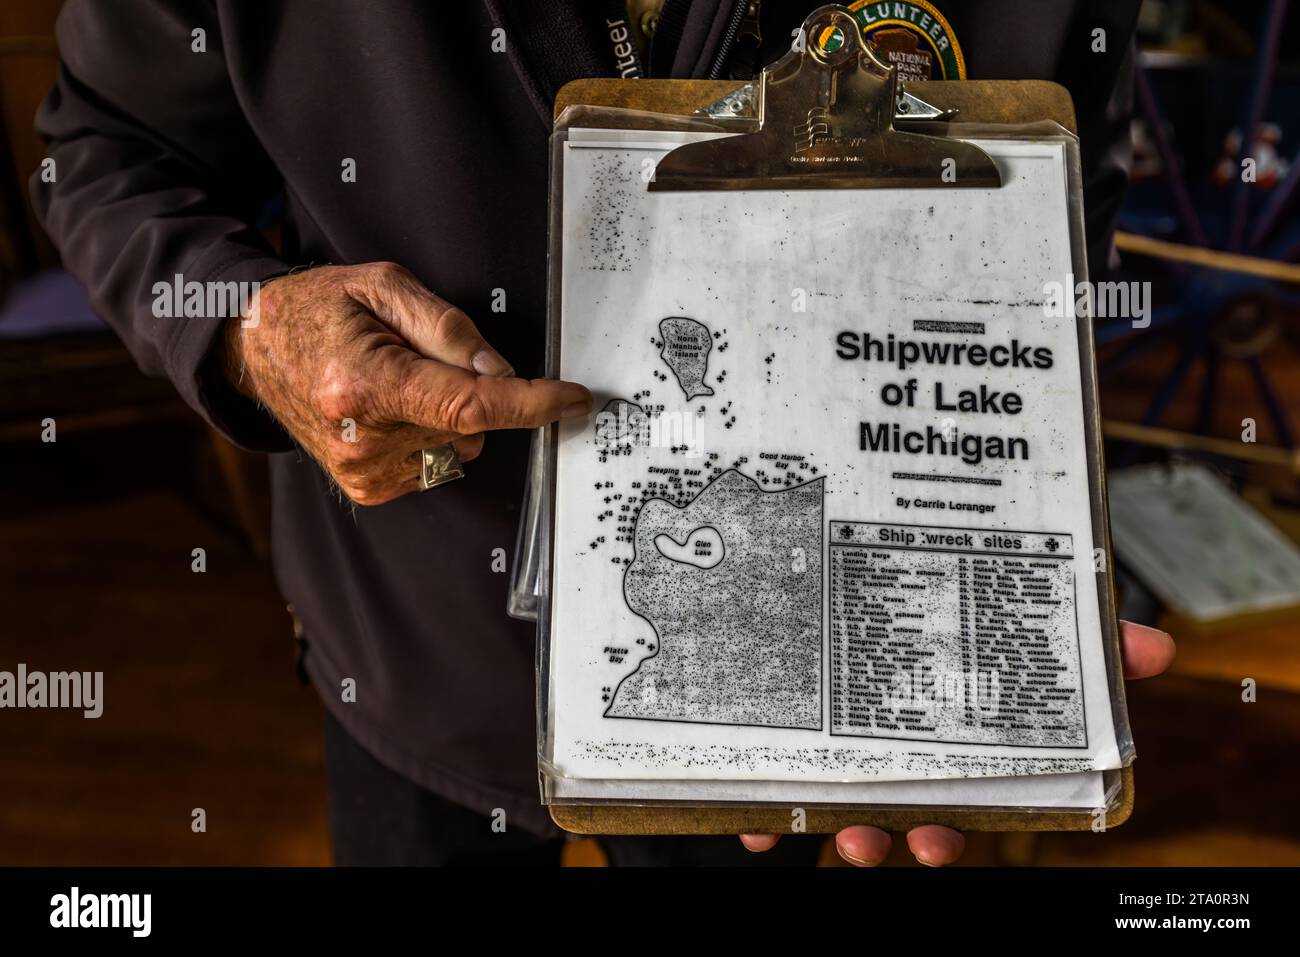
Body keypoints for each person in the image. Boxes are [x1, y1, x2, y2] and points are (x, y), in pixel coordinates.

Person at [33, 0, 1173, 866]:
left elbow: (1055, 226)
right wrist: (252, 329)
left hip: (796, 693)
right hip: (413, 631)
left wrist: (984, 556)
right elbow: (107, 150)